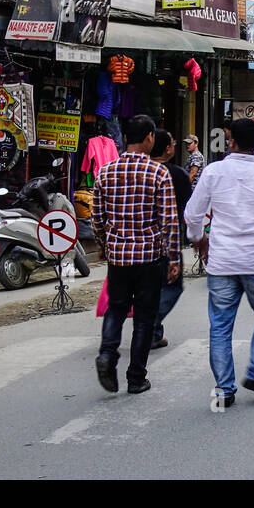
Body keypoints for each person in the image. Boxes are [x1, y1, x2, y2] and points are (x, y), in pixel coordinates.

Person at [184, 118, 254, 407]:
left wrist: (198, 239)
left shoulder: (213, 172)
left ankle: (224, 389)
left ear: (231, 142)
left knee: (220, 327)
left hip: (221, 262)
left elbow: (192, 214)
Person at [93, 114, 180, 393]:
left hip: (118, 257)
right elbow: (168, 220)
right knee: (144, 317)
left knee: (116, 308)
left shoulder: (105, 172)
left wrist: (104, 246)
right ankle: (136, 377)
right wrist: (174, 258)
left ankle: (107, 354)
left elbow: (97, 217)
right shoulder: (158, 173)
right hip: (149, 257)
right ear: (149, 138)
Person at [150, 130, 193, 349]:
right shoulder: (175, 174)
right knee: (172, 286)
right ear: (168, 148)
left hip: (138, 241)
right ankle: (150, 324)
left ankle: (153, 332)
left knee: (148, 287)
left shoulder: (141, 170)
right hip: (167, 238)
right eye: (173, 142)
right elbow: (189, 208)